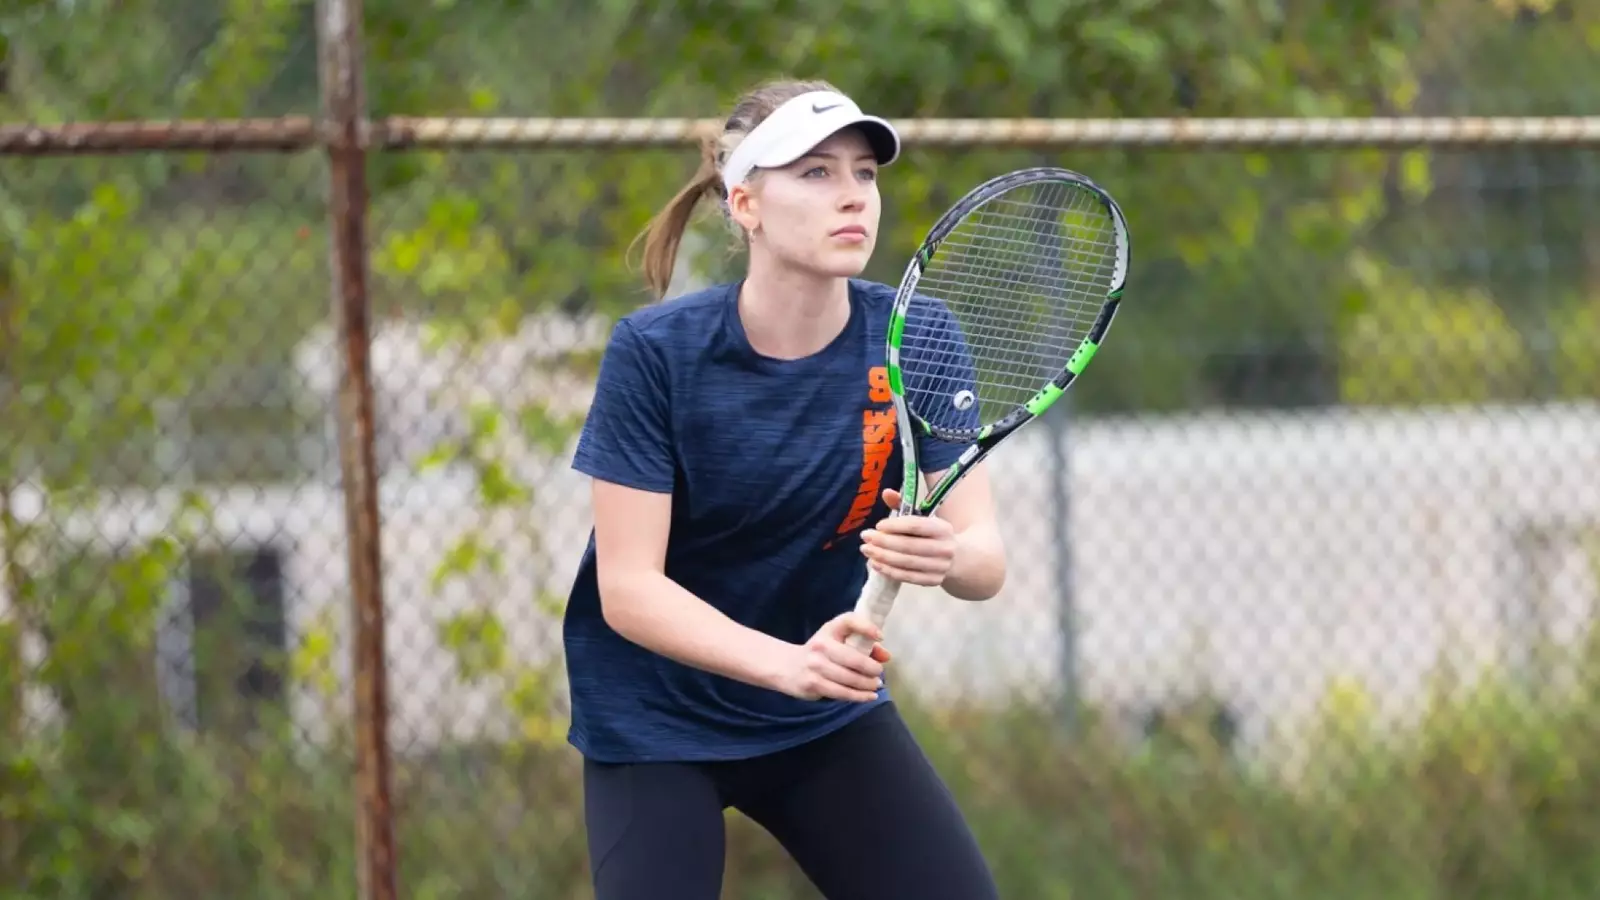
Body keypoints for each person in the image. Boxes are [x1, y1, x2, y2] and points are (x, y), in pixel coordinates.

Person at [562, 77, 1008, 900]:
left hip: (821, 712)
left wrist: (944, 552)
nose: (852, 197)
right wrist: (787, 665)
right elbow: (628, 590)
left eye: (865, 174)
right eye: (815, 173)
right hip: (656, 721)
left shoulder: (917, 334)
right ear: (746, 205)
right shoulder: (656, 353)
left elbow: (984, 562)